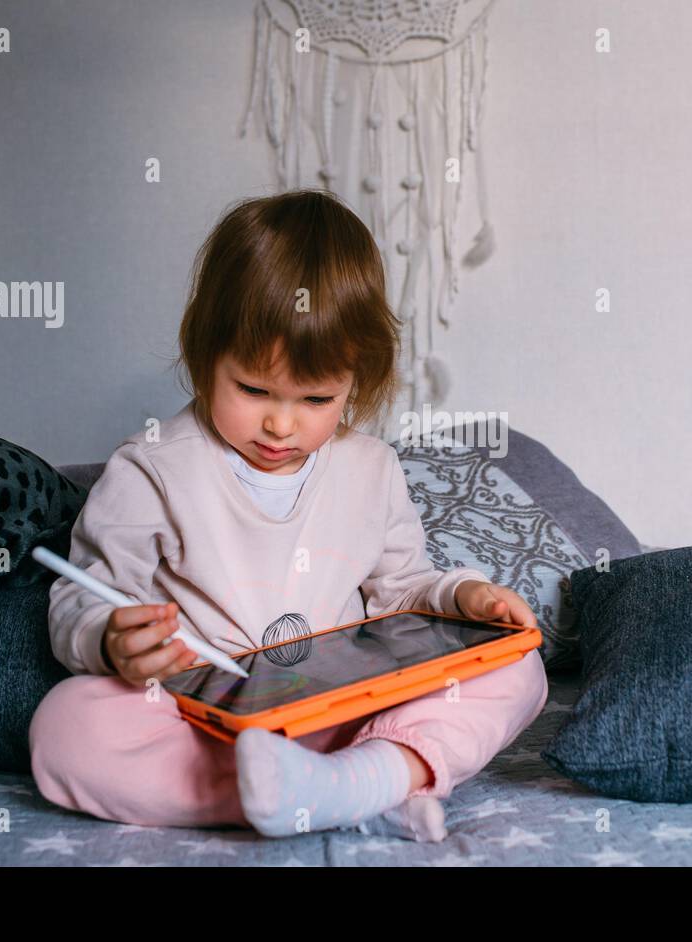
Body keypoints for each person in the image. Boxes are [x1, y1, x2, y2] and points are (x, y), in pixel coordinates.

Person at [28, 189, 548, 843]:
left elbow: (404, 590)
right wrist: (109, 637)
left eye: (316, 398)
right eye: (252, 390)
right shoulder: (151, 467)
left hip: (352, 712)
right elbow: (80, 596)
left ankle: (368, 775)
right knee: (64, 727)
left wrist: (462, 595)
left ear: (357, 381)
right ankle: (351, 792)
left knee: (518, 666)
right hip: (206, 724)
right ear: (203, 352)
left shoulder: (371, 469)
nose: (280, 423)